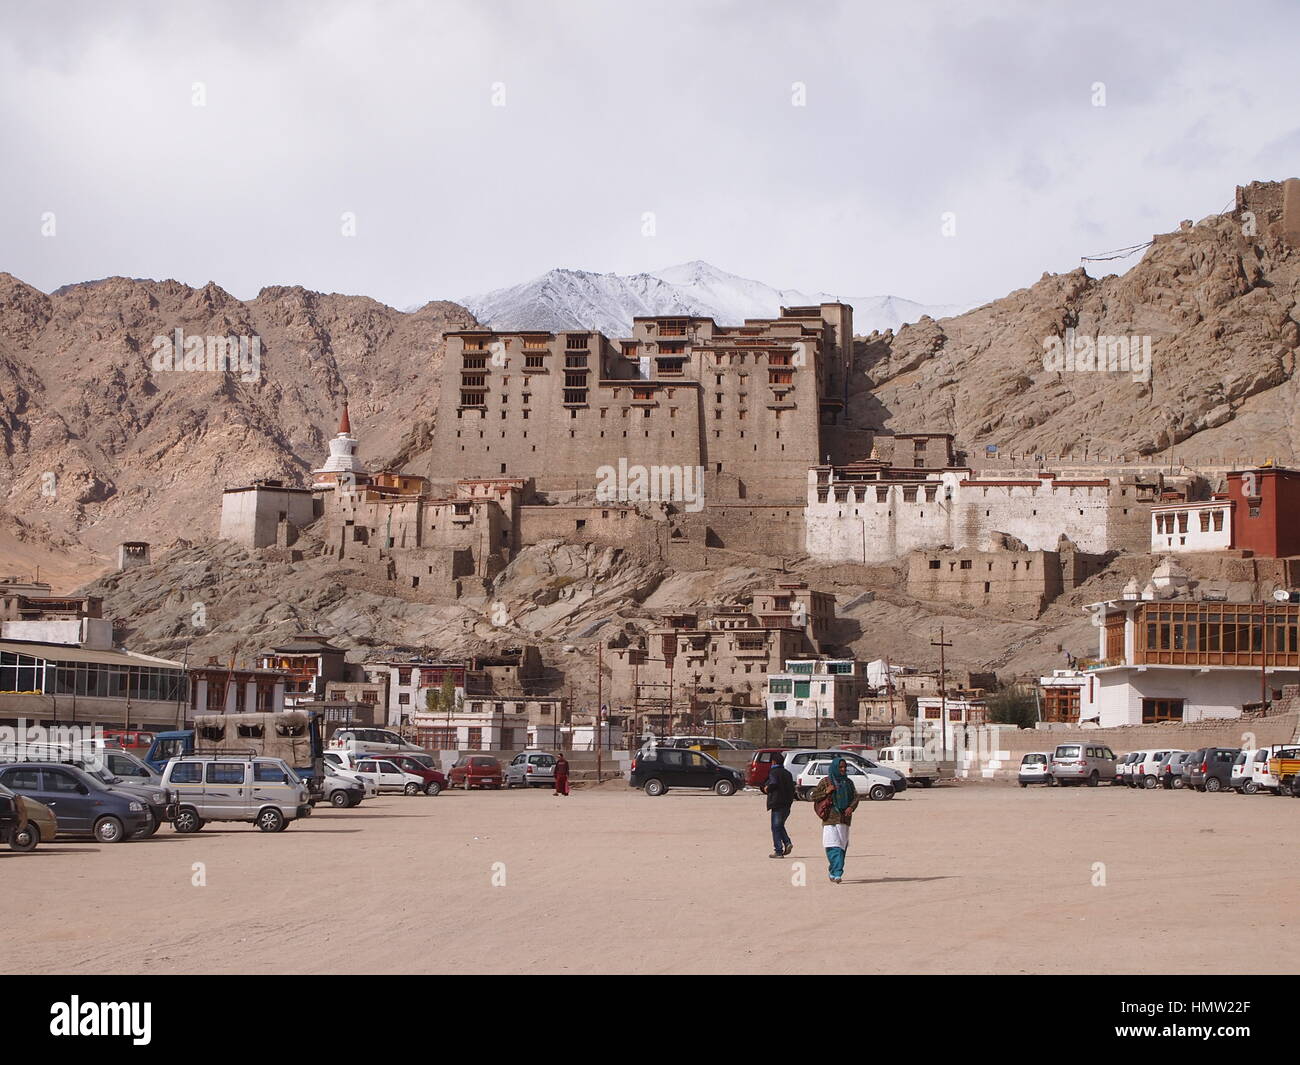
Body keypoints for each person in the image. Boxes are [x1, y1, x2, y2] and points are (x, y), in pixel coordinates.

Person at [810, 757, 859, 883]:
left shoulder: (848, 782)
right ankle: (837, 873)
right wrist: (827, 791)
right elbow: (814, 796)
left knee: (842, 847)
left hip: (844, 819)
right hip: (829, 819)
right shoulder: (826, 782)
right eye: (840, 767)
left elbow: (855, 797)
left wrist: (851, 807)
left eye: (844, 767)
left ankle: (834, 870)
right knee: (832, 846)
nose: (843, 769)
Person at [762, 759, 796, 858]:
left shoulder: (774, 772)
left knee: (775, 827)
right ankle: (787, 842)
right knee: (779, 825)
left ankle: (778, 851)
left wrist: (767, 788)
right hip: (787, 803)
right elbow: (792, 788)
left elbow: (773, 783)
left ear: (773, 762)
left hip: (777, 803)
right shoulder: (787, 773)